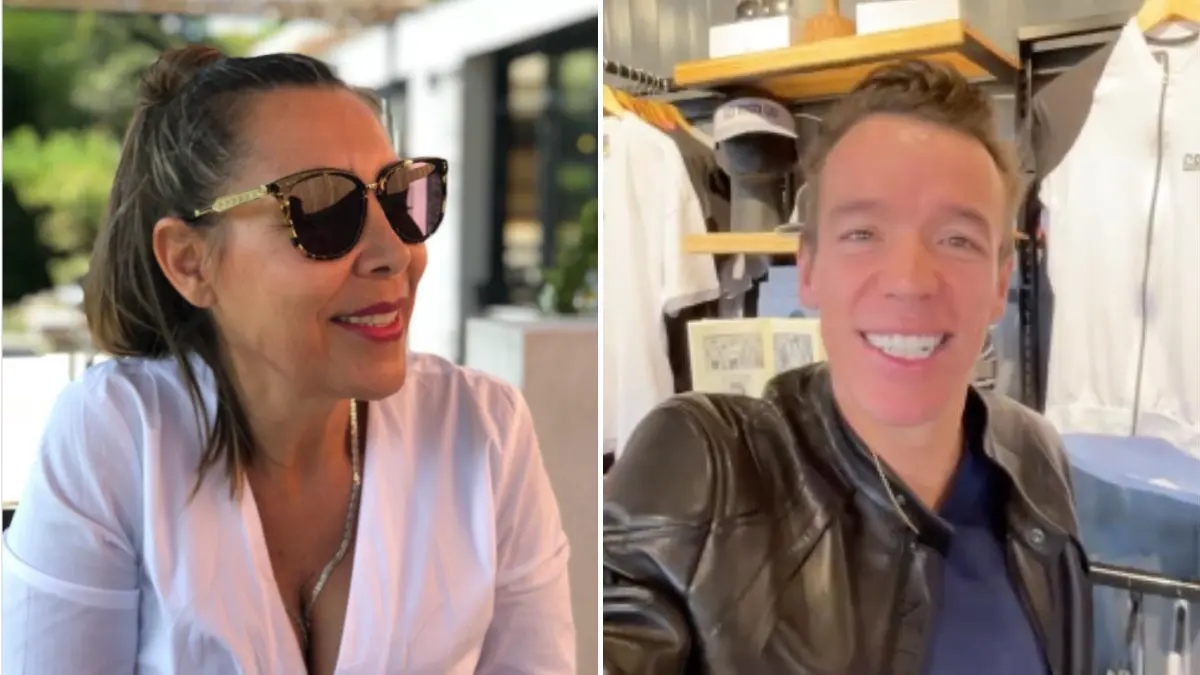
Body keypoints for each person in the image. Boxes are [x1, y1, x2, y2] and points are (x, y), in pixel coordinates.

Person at [1, 45, 575, 675]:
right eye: (324, 211)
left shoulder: (482, 431)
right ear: (191, 263)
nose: (394, 253)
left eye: (400, 198)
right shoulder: (117, 438)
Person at [603, 60, 1092, 675]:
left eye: (957, 239)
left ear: (1000, 284)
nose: (909, 281)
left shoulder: (1034, 456)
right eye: (863, 233)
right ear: (809, 268)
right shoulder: (708, 468)